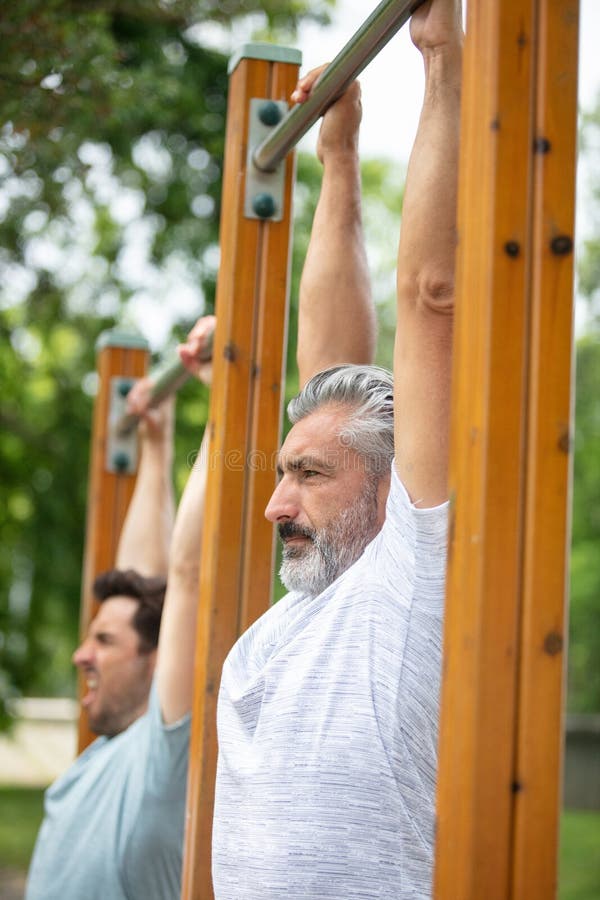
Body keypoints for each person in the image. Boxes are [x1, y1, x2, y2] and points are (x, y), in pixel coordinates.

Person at [211, 0, 462, 897]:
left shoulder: (406, 584)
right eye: (283, 471)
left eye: (308, 476)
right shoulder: (303, 611)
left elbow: (433, 299)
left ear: (396, 489)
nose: (277, 501)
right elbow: (332, 363)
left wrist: (442, 64)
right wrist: (339, 157)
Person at [25, 317, 215, 900]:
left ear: (158, 661)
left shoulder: (162, 759)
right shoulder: (106, 756)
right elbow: (144, 585)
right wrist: (155, 445)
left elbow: (184, 573)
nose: (82, 652)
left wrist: (225, 395)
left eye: (105, 642)